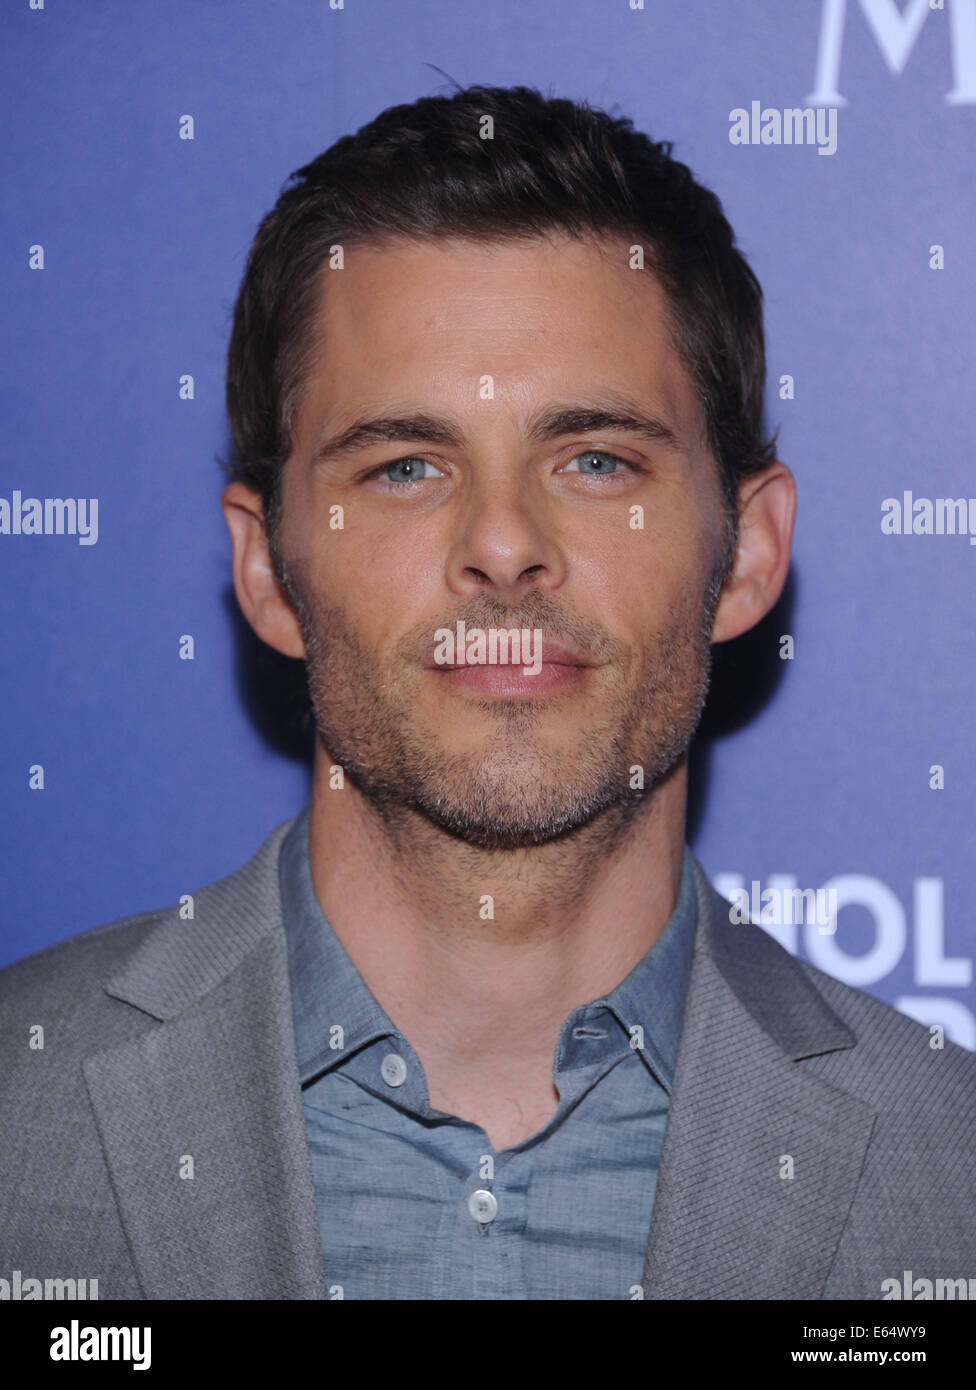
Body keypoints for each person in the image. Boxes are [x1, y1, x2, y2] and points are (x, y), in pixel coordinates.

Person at [1, 85, 973, 1301]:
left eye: (597, 459)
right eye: (406, 466)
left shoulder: (952, 1179)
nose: (503, 543)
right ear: (265, 568)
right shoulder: (16, 1110)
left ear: (751, 552)